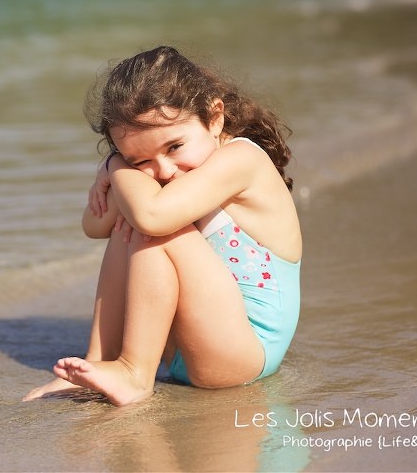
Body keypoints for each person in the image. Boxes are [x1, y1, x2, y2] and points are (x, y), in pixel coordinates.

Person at [23, 45, 301, 406]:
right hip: (185, 351)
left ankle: (134, 373)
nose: (164, 170)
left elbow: (153, 218)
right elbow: (96, 224)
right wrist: (122, 169)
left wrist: (115, 167)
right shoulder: (159, 176)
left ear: (214, 118)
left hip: (243, 353)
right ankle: (101, 360)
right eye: (140, 160)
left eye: (174, 147)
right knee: (129, 223)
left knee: (152, 226)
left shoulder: (242, 159)